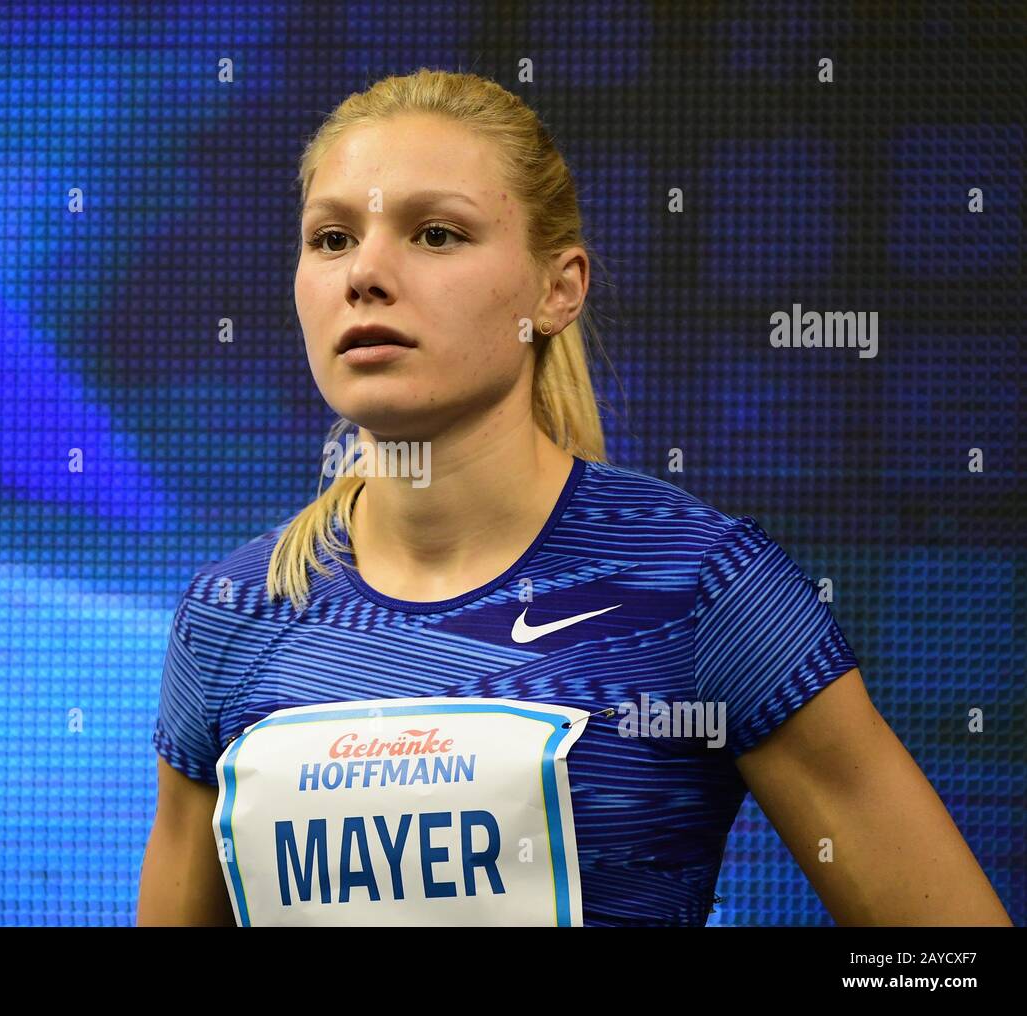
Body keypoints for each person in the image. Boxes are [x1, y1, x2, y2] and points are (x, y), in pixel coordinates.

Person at [137, 68, 1012, 927]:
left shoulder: (701, 589)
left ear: (557, 290)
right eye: (330, 238)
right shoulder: (233, 616)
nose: (364, 272)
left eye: (436, 234)